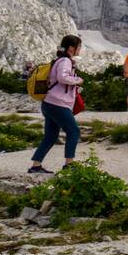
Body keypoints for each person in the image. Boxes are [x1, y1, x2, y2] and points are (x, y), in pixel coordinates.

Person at [29, 35, 83, 174]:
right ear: (72, 48)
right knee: (74, 131)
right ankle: (69, 165)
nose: (80, 49)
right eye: (79, 47)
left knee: (51, 137)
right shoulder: (65, 61)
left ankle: (36, 165)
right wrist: (77, 80)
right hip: (58, 103)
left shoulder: (59, 60)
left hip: (49, 103)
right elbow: (62, 77)